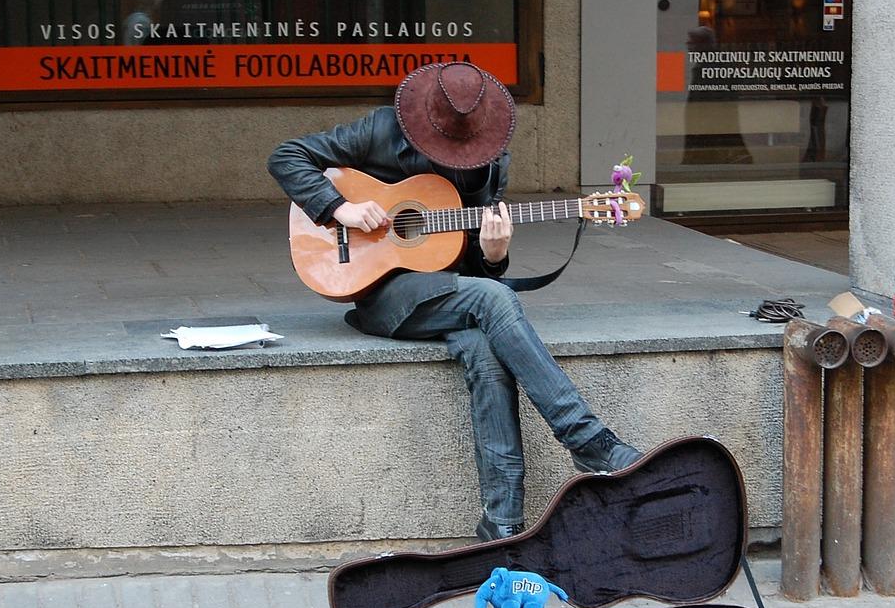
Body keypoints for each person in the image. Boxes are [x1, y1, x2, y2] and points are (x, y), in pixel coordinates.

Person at [267, 61, 643, 541]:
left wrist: (494, 254)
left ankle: (502, 523)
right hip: (381, 292)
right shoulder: (382, 128)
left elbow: (469, 271)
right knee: (491, 299)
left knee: (485, 342)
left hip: (444, 293)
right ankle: (587, 439)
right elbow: (286, 156)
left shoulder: (492, 161)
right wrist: (341, 207)